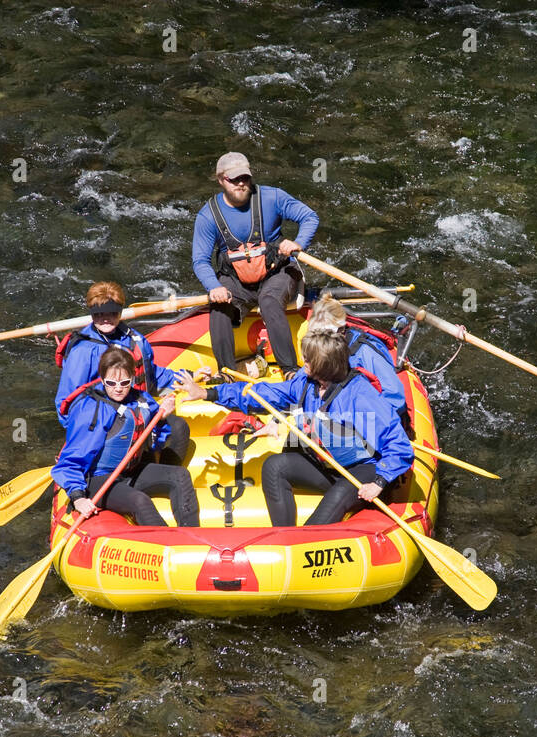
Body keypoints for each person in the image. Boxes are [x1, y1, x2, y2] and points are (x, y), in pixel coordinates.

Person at [176, 329, 412, 527]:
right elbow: (261, 394)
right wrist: (208, 393)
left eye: (307, 360)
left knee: (337, 498)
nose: (303, 362)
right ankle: (284, 536)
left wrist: (380, 481)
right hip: (326, 463)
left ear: (322, 365)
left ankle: (306, 542)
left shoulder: (360, 396)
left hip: (361, 470)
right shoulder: (305, 383)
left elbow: (397, 444)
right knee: (274, 466)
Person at [191, 152, 319, 378]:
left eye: (245, 178)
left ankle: (289, 370)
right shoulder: (208, 216)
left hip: (276, 274)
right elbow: (200, 260)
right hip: (236, 282)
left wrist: (298, 242)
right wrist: (214, 287)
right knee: (219, 309)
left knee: (268, 301)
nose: (241, 184)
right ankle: (228, 373)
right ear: (221, 180)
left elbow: (309, 217)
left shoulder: (272, 198)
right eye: (234, 179)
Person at [53, 347, 199, 527]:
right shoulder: (91, 410)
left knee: (180, 475)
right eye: (111, 383)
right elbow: (71, 460)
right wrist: (77, 498)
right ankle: (166, 547)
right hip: (97, 479)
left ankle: (192, 536)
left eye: (124, 383)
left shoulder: (142, 401)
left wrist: (160, 420)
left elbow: (156, 443)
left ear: (132, 378)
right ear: (102, 378)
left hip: (130, 471)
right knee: (140, 501)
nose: (118, 389)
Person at [54, 281, 188, 462]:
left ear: (120, 313)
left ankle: (164, 470)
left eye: (112, 313)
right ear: (92, 314)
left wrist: (188, 377)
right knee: (173, 427)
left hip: (138, 409)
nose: (106, 318)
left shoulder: (134, 339)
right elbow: (67, 402)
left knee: (178, 427)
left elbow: (152, 374)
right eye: (99, 314)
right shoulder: (83, 352)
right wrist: (81, 440)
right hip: (106, 421)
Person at [305, 293, 411, 432]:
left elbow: (395, 398)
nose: (316, 343)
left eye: (320, 338)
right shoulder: (320, 348)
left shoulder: (365, 352)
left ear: (340, 332)